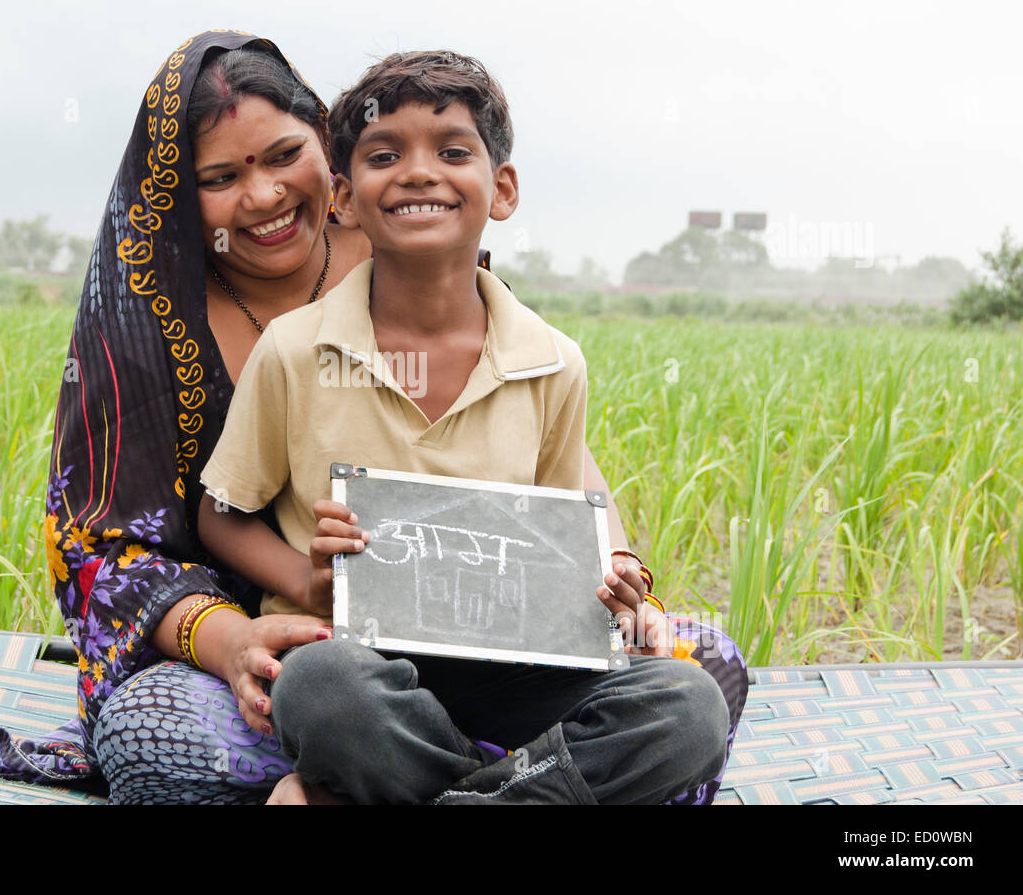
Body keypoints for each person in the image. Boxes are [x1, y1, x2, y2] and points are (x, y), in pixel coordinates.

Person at [0, 31, 746, 804]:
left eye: (283, 156)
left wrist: (623, 571)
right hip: (295, 653)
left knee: (700, 675)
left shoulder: (418, 243)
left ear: (325, 161)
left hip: (504, 644)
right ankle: (518, 781)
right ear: (180, 194)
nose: (264, 195)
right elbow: (109, 551)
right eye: (220, 176)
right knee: (160, 736)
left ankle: (359, 793)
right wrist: (243, 632)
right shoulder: (159, 324)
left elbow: (554, 466)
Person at [197, 49, 731, 804]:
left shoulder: (551, 362)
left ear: (502, 188)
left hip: (519, 664)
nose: (419, 172)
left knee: (687, 707)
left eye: (452, 152)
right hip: (360, 658)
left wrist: (616, 575)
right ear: (344, 197)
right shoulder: (295, 349)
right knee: (320, 689)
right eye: (386, 155)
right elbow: (221, 514)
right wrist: (304, 579)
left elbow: (565, 522)